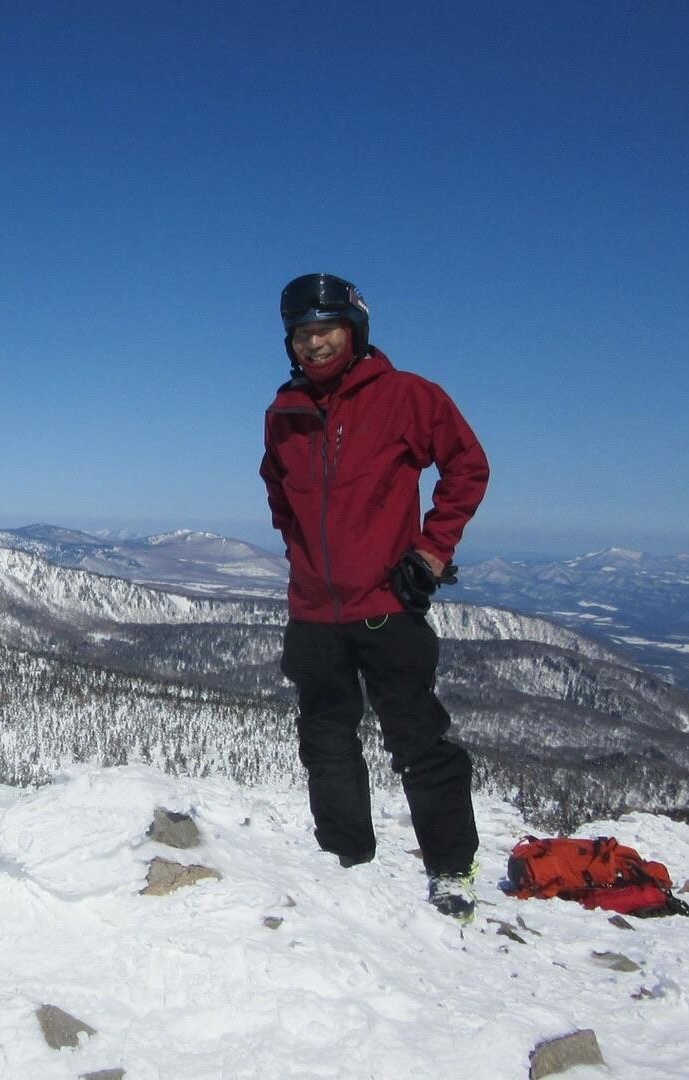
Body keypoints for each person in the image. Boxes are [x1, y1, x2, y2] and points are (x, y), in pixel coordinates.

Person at [257, 272, 490, 919]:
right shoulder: (284, 413)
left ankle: (452, 869)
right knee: (325, 739)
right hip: (313, 612)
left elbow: (467, 466)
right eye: (301, 333)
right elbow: (278, 492)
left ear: (354, 330)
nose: (313, 343)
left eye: (325, 329)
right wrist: (302, 558)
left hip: (387, 603)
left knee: (417, 740)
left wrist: (432, 549)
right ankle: (346, 862)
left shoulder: (406, 396)